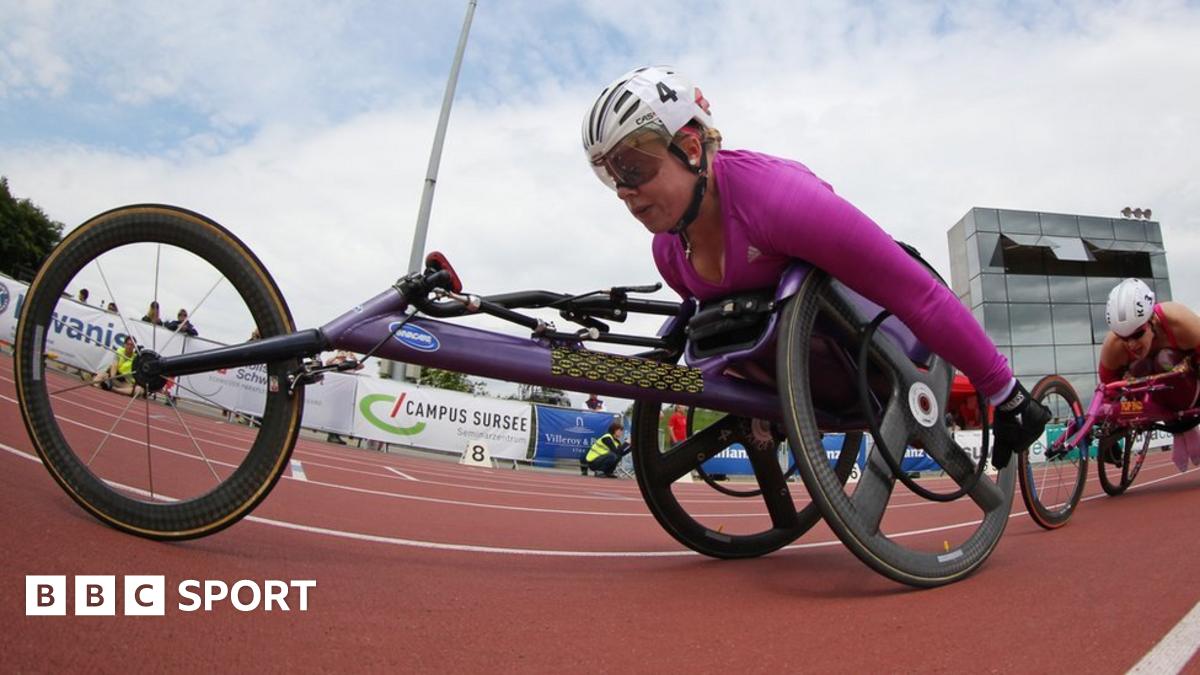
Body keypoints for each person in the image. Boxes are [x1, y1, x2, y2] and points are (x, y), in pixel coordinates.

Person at [581, 65, 1049, 469]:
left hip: (883, 342)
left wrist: (1006, 395)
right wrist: (749, 399)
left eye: (634, 168)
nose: (624, 190)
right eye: (611, 175)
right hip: (808, 363)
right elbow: (717, 336)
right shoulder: (667, 252)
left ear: (689, 147)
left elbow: (919, 294)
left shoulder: (779, 201)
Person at [1098, 278, 1200, 470]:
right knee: (1139, 366)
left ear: (1152, 320)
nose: (1131, 344)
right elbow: (1108, 392)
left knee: (1164, 359)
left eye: (1137, 334)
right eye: (1123, 338)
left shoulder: (1179, 321)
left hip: (1189, 388)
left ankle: (1186, 427)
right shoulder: (1113, 348)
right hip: (1147, 399)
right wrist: (1108, 432)